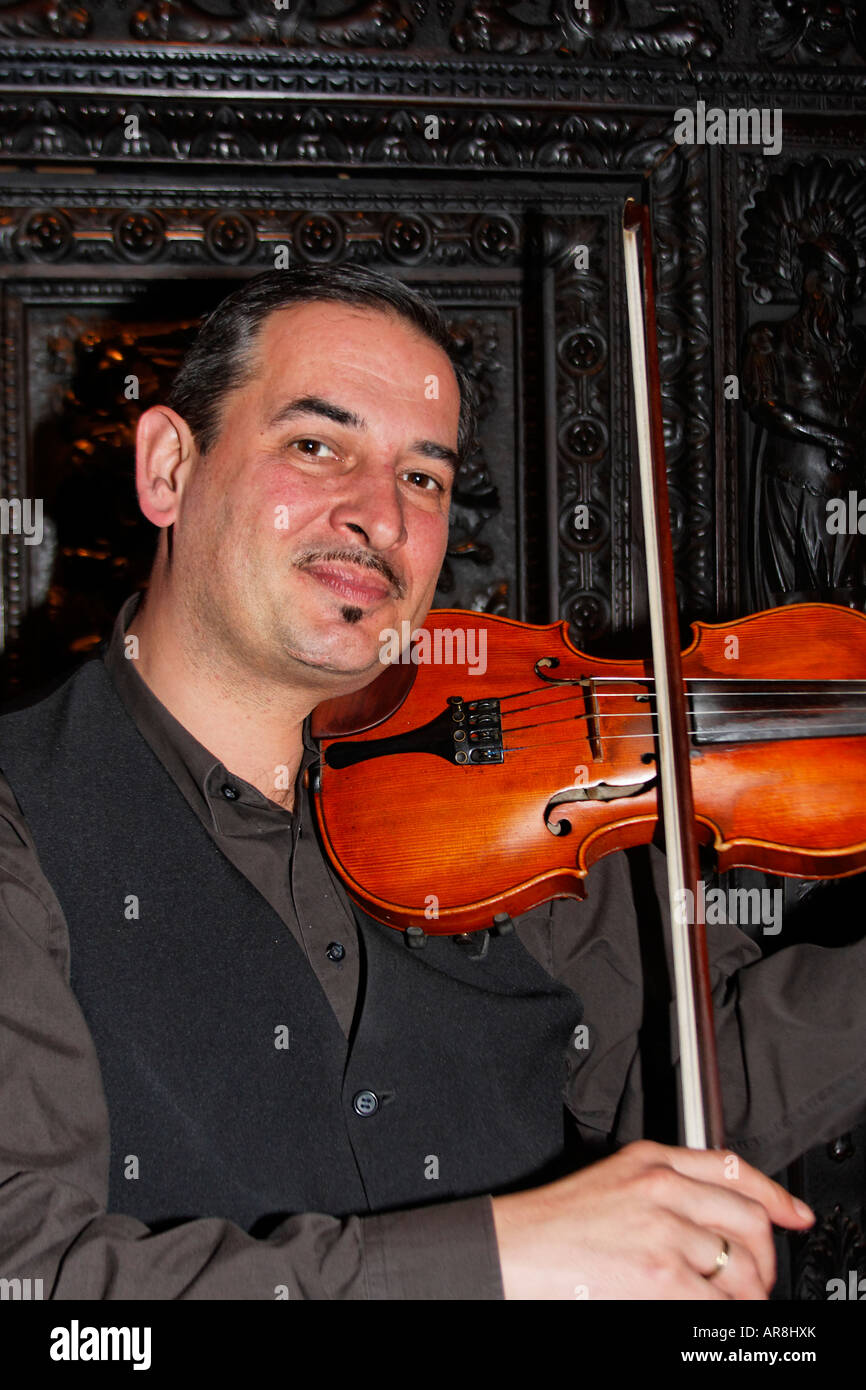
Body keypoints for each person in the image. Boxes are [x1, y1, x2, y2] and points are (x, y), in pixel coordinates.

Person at [0, 266, 863, 1303]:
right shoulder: (20, 813)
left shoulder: (518, 779)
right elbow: (33, 1279)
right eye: (316, 445)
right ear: (170, 467)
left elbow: (690, 1077)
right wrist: (503, 1258)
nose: (378, 515)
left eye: (424, 477)